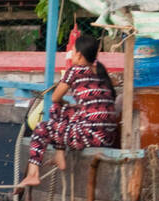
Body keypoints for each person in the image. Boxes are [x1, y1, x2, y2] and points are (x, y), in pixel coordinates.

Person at [16, 33, 118, 189]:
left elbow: (55, 98)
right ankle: (60, 155)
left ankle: (33, 174)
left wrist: (70, 106)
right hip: (108, 136)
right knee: (60, 110)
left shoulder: (75, 70)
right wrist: (77, 108)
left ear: (78, 54)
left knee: (42, 128)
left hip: (90, 135)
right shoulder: (101, 70)